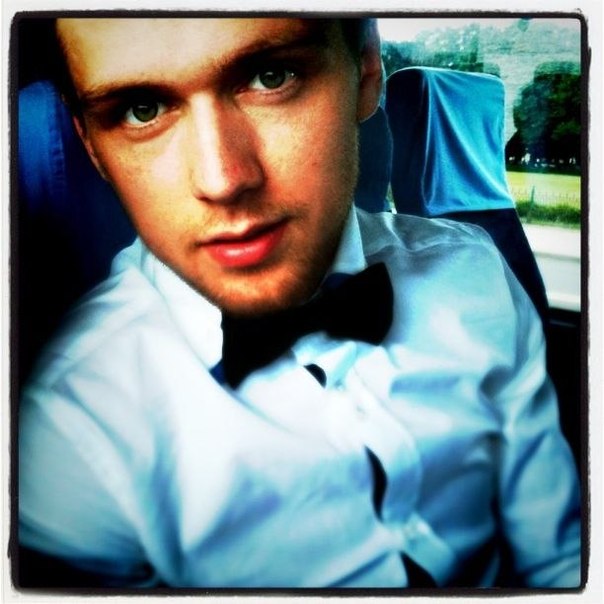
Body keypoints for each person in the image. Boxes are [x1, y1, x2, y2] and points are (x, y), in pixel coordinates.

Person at [18, 17, 581, 589]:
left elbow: (560, 558)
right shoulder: (69, 429)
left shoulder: (475, 271)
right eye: (142, 110)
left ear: (366, 70)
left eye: (271, 76)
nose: (222, 180)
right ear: (91, 145)